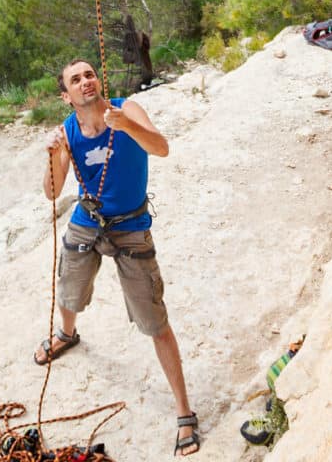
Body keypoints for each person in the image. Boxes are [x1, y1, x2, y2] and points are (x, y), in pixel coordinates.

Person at [41, 58, 200, 455]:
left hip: (129, 226)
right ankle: (67, 332)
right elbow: (52, 191)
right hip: (87, 219)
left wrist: (126, 125)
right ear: (67, 95)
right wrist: (53, 154)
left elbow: (161, 148)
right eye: (75, 80)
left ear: (99, 80)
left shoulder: (125, 109)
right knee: (70, 287)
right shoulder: (69, 131)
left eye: (89, 74)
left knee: (153, 319)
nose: (85, 81)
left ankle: (184, 412)